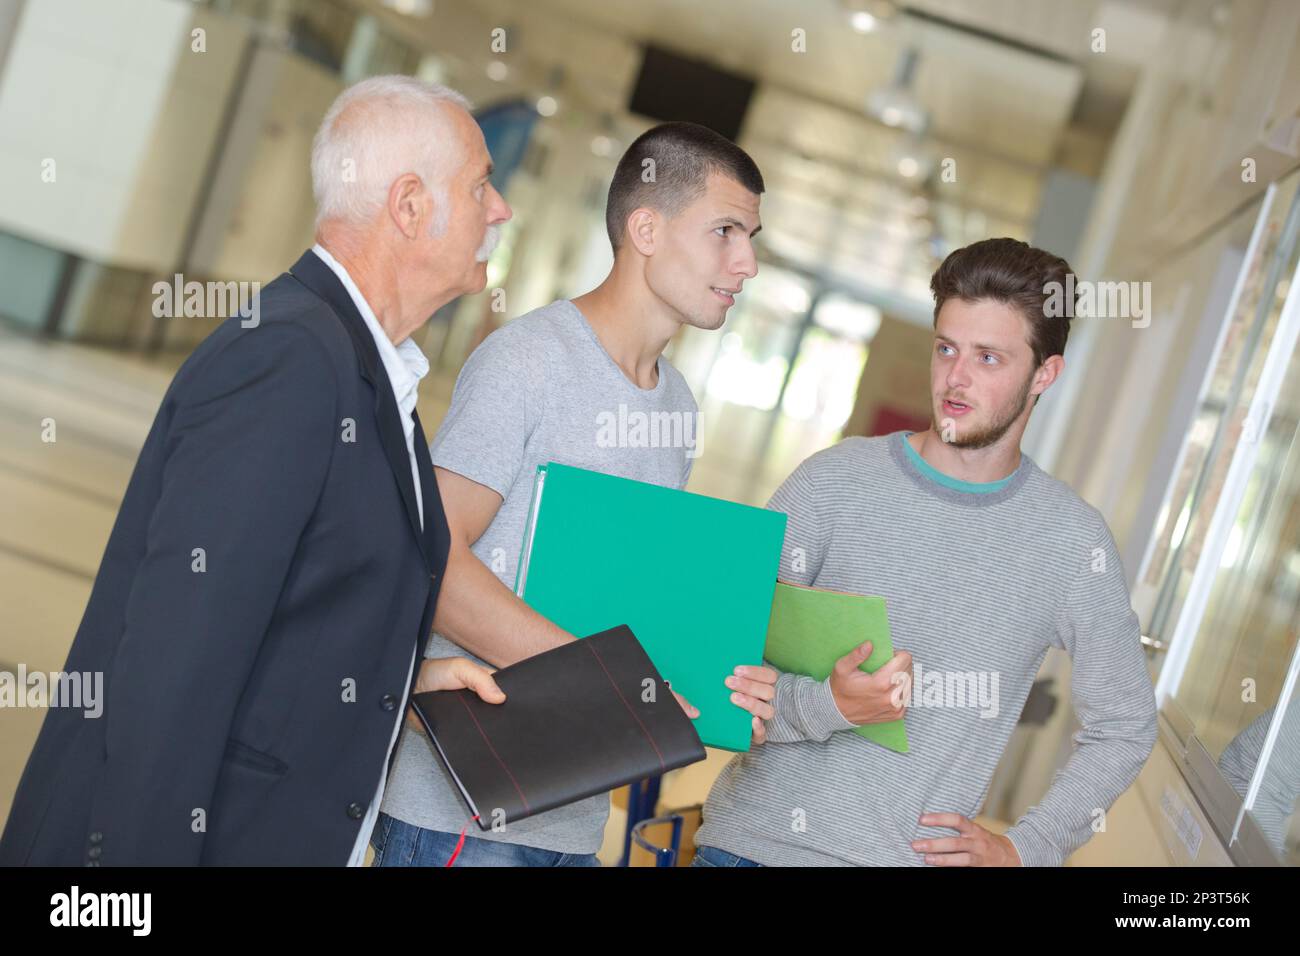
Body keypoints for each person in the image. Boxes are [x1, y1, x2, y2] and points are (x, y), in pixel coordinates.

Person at [0, 75, 510, 866]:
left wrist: (398, 683)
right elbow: (175, 663)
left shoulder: (361, 364)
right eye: (481, 184)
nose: (501, 208)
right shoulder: (291, 361)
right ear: (410, 206)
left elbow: (289, 611)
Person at [375, 122, 780, 867]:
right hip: (463, 814)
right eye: (725, 231)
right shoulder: (528, 362)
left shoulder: (676, 406)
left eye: (751, 237)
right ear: (646, 228)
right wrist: (612, 686)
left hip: (572, 817)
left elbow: (631, 603)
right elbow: (435, 561)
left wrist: (718, 688)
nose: (746, 263)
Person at [693, 237, 1159, 866]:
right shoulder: (833, 480)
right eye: (947, 349)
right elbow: (718, 663)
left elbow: (1124, 726)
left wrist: (1026, 848)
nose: (956, 380)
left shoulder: (1072, 541)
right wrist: (831, 706)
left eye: (989, 358)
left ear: (1044, 374)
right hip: (749, 849)